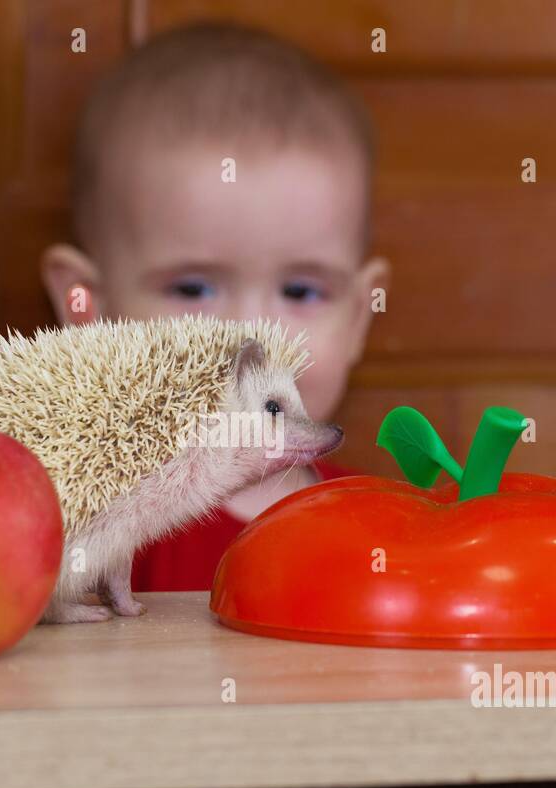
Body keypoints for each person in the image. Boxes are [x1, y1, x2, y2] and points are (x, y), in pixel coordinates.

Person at [39, 22, 389, 592]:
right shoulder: (91, 531)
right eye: (194, 290)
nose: (252, 341)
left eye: (300, 291)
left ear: (356, 319)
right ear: (88, 309)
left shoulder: (379, 523)